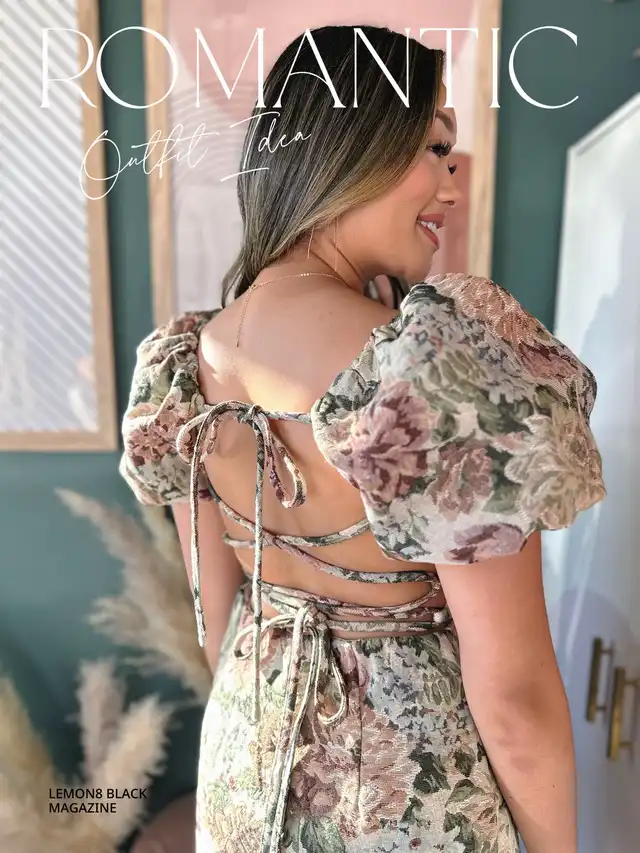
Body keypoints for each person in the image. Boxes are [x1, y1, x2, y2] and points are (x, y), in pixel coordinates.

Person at [119, 25, 606, 853]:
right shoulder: (435, 366)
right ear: (355, 148)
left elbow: (218, 623)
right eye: (434, 147)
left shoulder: (182, 366)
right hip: (406, 802)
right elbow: (515, 702)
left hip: (245, 769)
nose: (450, 183)